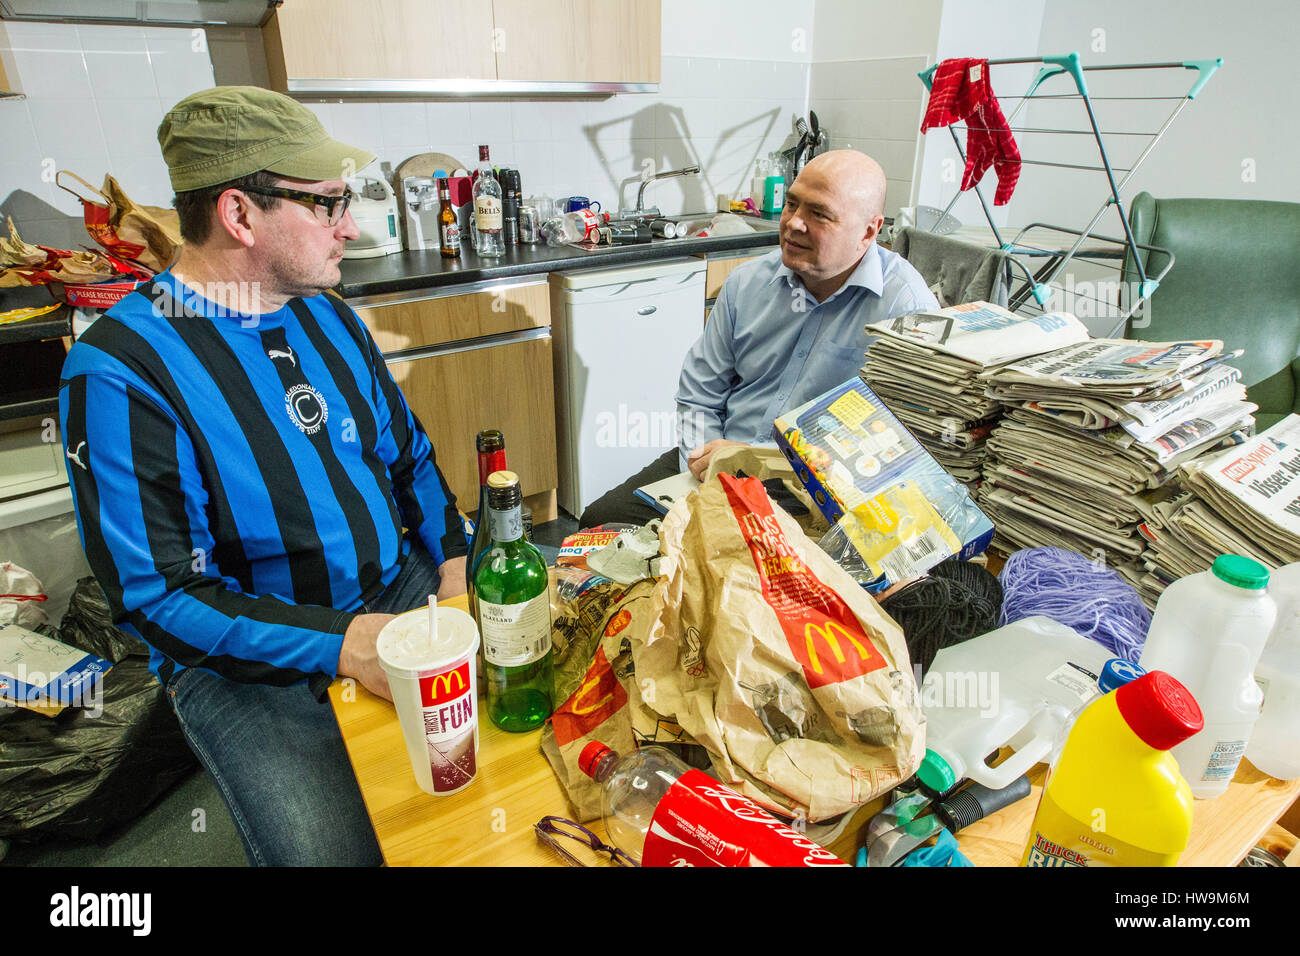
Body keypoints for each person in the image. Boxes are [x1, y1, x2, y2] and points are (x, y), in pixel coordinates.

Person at [58, 87, 468, 866]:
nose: (350, 226)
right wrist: (345, 644)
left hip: (398, 587)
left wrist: (452, 562)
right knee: (338, 854)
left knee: (495, 764)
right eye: (326, 205)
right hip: (250, 661)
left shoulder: (326, 310)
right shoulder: (119, 370)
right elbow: (160, 596)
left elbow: (408, 454)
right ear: (240, 215)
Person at [579, 149, 939, 528]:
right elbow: (700, 391)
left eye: (818, 214)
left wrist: (755, 458)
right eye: (791, 204)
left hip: (816, 489)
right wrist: (709, 465)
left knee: (746, 571)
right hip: (715, 461)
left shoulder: (905, 311)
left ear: (869, 231)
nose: (794, 223)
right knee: (601, 522)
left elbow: (896, 446)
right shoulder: (747, 283)